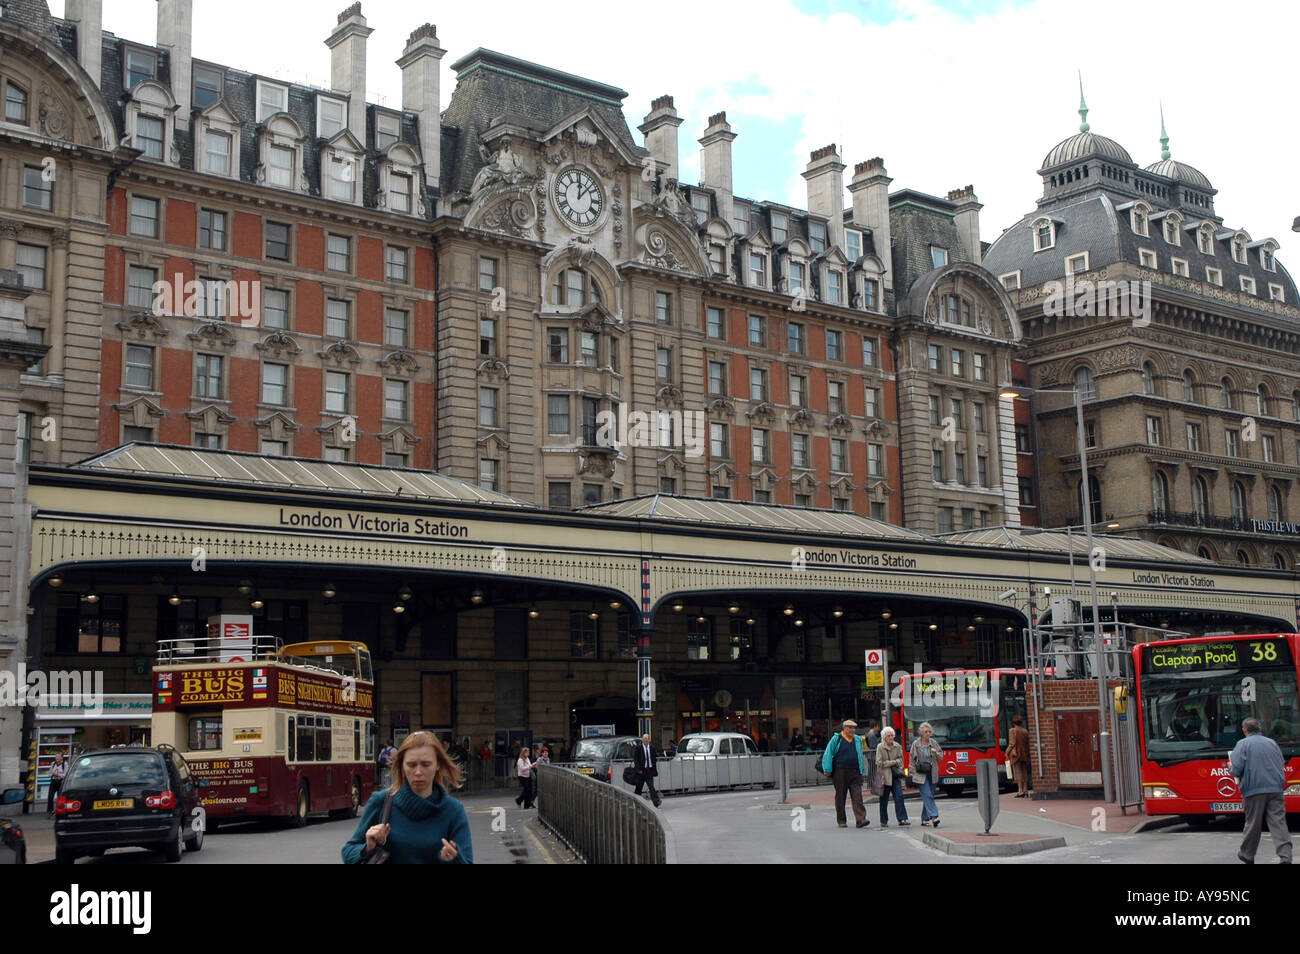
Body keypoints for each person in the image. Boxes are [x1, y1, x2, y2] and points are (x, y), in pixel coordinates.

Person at [342, 730, 472, 864]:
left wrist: (455, 859)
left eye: (426, 764)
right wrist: (367, 848)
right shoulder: (381, 802)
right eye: (411, 765)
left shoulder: (453, 810)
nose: (418, 772)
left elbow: (468, 860)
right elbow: (348, 852)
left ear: (438, 765)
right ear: (402, 766)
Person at [1230, 717, 1292, 864]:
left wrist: (1229, 767)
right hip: (1275, 788)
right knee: (1278, 823)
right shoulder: (1272, 743)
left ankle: (1247, 854)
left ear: (1244, 730)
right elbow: (1280, 762)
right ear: (1260, 729)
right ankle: (1285, 856)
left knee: (1253, 823)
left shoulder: (1242, 744)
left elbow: (1236, 770)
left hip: (1254, 789)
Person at [820, 719, 869, 829]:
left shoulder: (857, 739)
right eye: (850, 728)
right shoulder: (836, 739)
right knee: (840, 796)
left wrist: (861, 770)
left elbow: (860, 755)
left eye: (854, 728)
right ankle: (841, 820)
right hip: (840, 771)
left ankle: (861, 819)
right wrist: (827, 769)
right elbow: (828, 753)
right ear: (844, 728)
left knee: (857, 796)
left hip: (855, 771)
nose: (852, 730)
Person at [910, 722, 943, 828]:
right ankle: (934, 816)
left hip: (932, 772)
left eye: (929, 732)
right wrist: (913, 773)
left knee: (929, 796)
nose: (928, 733)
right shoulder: (916, 744)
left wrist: (936, 754)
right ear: (921, 733)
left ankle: (924, 819)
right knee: (927, 795)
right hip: (921, 773)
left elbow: (941, 757)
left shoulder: (933, 743)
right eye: (926, 732)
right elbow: (911, 760)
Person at [876, 727, 909, 827]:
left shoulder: (897, 746)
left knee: (899, 797)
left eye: (892, 735)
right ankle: (884, 821)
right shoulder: (880, 747)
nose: (891, 737)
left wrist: (896, 762)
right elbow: (879, 762)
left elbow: (901, 760)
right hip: (884, 777)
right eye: (888, 736)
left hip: (895, 776)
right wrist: (892, 762)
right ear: (884, 737)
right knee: (884, 799)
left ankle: (902, 819)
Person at [633, 733, 662, 807]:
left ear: (649, 740)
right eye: (644, 740)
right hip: (641, 771)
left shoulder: (652, 747)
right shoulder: (638, 748)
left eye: (646, 740)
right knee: (639, 788)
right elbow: (636, 759)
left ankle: (656, 802)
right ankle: (635, 801)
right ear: (642, 740)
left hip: (649, 770)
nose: (645, 741)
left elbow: (655, 756)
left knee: (651, 787)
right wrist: (638, 769)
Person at [1006, 714, 1032, 797]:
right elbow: (1028, 744)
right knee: (1025, 771)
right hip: (1025, 754)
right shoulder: (1025, 731)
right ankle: (1026, 790)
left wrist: (1006, 752)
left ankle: (1020, 790)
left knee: (1018, 772)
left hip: (1016, 754)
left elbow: (1012, 743)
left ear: (1013, 722)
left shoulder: (1012, 731)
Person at [46, 752, 68, 817]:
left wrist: (58, 775)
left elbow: (65, 775)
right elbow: (49, 772)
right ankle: (50, 811)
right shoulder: (53, 764)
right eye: (56, 756)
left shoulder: (65, 764)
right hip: (53, 781)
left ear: (62, 758)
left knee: (59, 797)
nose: (56, 758)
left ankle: (59, 811)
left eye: (58, 757)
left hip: (60, 782)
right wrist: (51, 774)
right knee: (50, 796)